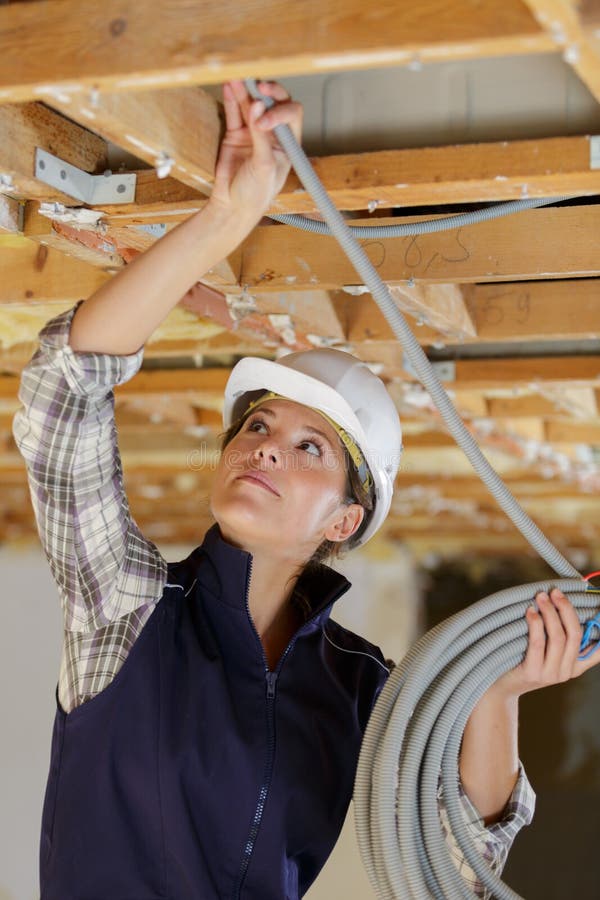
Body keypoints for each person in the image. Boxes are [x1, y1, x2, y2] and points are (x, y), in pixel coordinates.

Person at [13, 80, 600, 899]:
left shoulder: (361, 688)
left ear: (345, 519)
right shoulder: (130, 610)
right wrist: (227, 217)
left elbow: (462, 861)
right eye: (257, 426)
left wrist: (495, 691)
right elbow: (63, 391)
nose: (265, 447)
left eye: (307, 446)